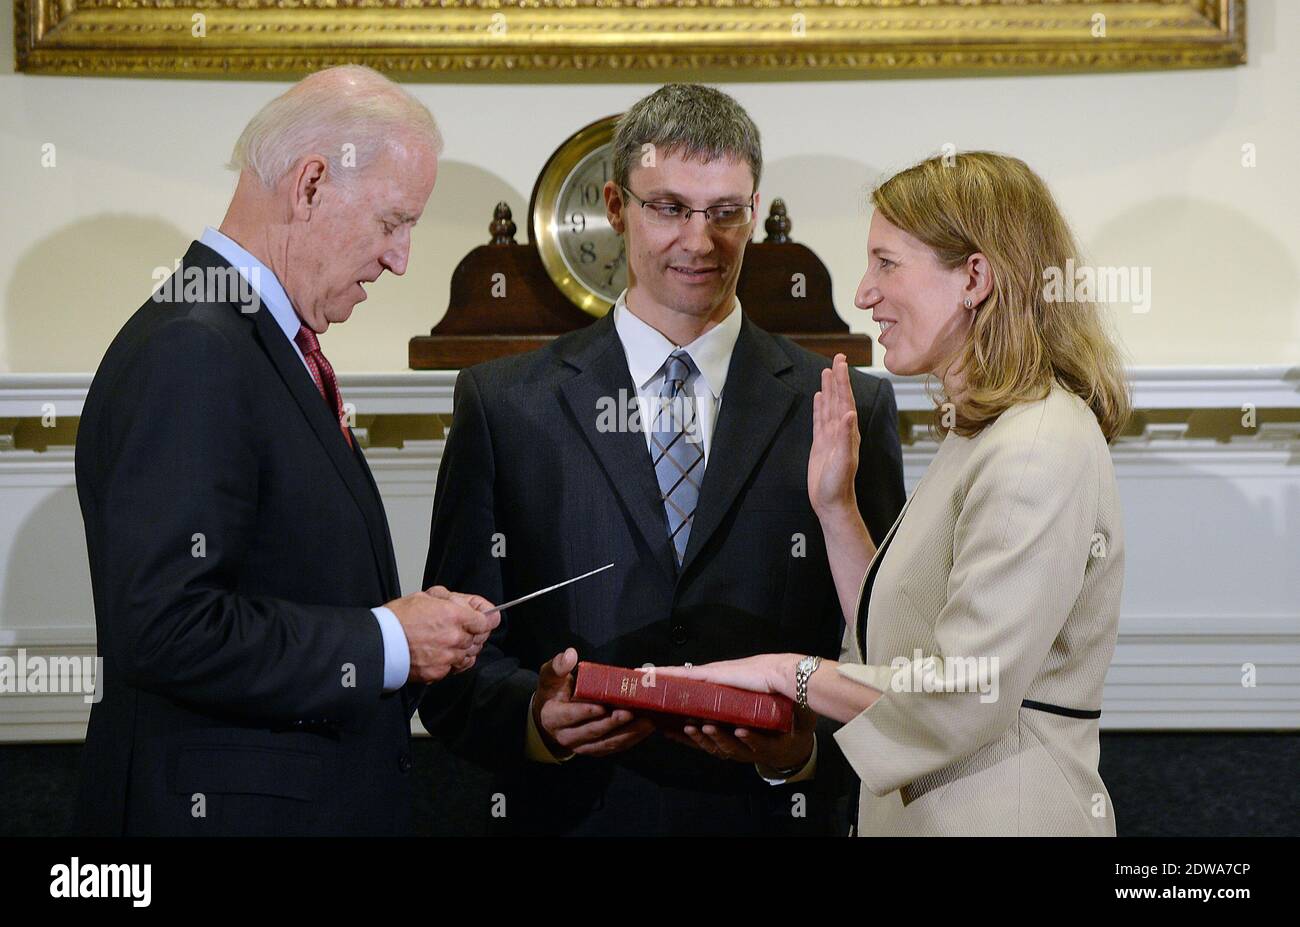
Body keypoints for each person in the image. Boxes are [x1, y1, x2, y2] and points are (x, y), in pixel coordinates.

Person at [418, 83, 906, 835]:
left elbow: (887, 662)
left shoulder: (846, 404)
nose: (699, 240)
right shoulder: (504, 404)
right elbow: (453, 667)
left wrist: (800, 752)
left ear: (754, 209)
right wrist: (537, 719)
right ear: (616, 205)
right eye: (670, 207)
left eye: (726, 212)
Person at [75, 65, 497, 836]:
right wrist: (388, 640)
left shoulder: (248, 338)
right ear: (310, 185)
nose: (400, 258)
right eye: (393, 221)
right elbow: (169, 629)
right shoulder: (193, 349)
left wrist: (407, 635)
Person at [662, 151, 1130, 836]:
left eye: (887, 263)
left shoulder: (1036, 444)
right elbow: (902, 658)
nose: (864, 293)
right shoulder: (988, 433)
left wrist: (789, 673)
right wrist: (836, 507)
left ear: (974, 276)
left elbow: (966, 690)